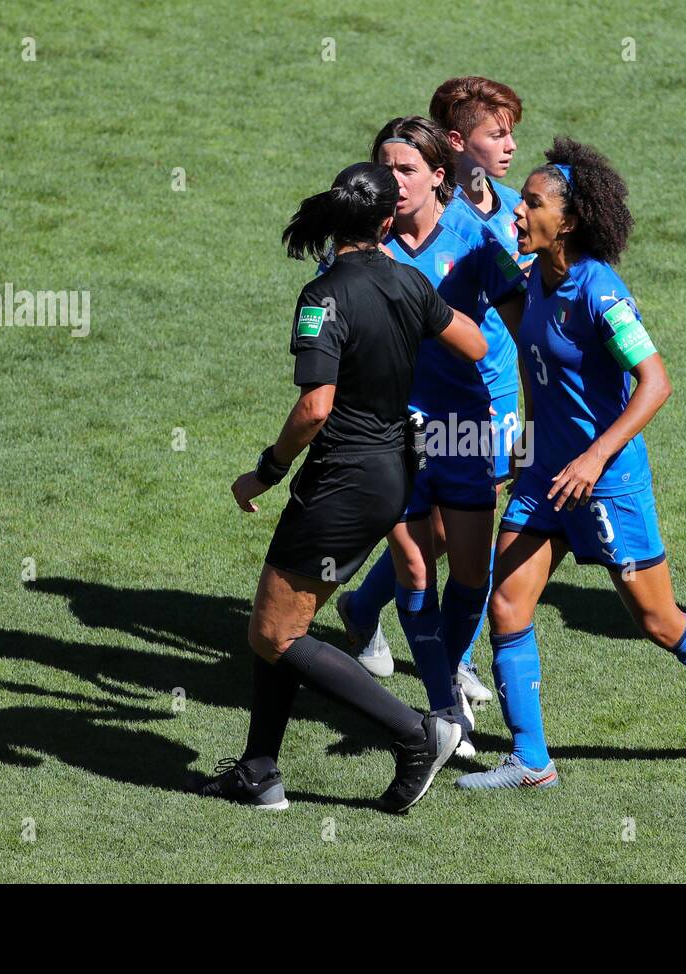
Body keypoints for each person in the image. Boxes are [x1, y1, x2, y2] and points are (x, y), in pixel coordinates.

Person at [457, 138, 686, 791]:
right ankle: (531, 760)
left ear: (570, 220)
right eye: (519, 201)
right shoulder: (532, 279)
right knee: (508, 606)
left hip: (606, 483)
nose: (518, 213)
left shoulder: (599, 292)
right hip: (547, 477)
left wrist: (595, 455)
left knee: (657, 620)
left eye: (531, 203)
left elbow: (656, 382)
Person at [193, 161, 487, 813]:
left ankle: (416, 735)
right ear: (387, 223)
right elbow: (472, 343)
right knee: (283, 623)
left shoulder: (323, 296)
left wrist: (265, 470)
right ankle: (260, 771)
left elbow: (315, 408)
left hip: (342, 481)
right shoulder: (410, 282)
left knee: (273, 634)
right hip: (392, 473)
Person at [333, 116, 526, 759]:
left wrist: (536, 426)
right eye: (385, 168)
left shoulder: (476, 238)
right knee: (416, 566)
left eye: (406, 169)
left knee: (470, 569)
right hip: (396, 425)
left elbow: (526, 326)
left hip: (468, 424)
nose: (393, 180)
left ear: (438, 177)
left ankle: (428, 657)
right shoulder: (369, 243)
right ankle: (445, 707)